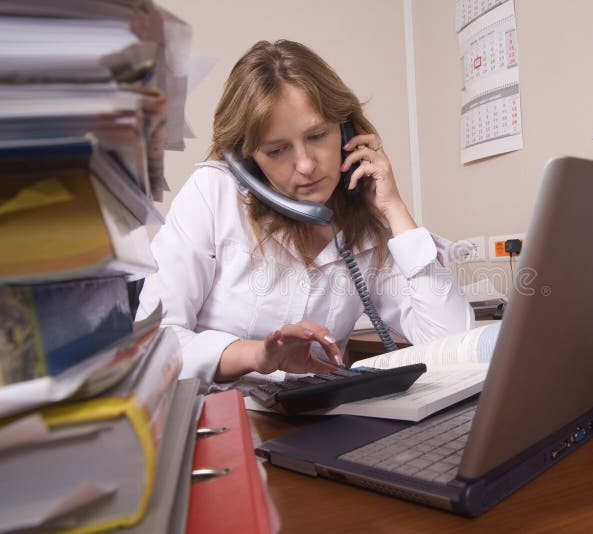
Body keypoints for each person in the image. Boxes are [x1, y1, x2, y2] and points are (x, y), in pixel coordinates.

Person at [137, 40, 473, 392]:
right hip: (220, 424)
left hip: (318, 428)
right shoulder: (213, 194)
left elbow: (455, 346)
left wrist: (395, 211)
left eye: (317, 135)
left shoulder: (364, 224)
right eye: (277, 150)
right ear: (247, 159)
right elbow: (153, 345)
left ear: (346, 131)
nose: (306, 165)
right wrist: (256, 356)